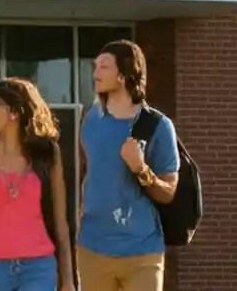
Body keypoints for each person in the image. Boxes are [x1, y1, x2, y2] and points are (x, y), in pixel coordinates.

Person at [76, 40, 179, 291]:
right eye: (95, 66)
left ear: (123, 74)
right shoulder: (90, 119)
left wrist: (141, 168)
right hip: (93, 248)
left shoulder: (157, 125)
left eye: (104, 67)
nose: (95, 73)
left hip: (142, 251)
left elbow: (169, 192)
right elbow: (88, 173)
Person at [0, 77, 75, 291]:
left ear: (14, 112)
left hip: (39, 267)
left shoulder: (47, 155)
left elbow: (61, 224)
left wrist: (68, 280)